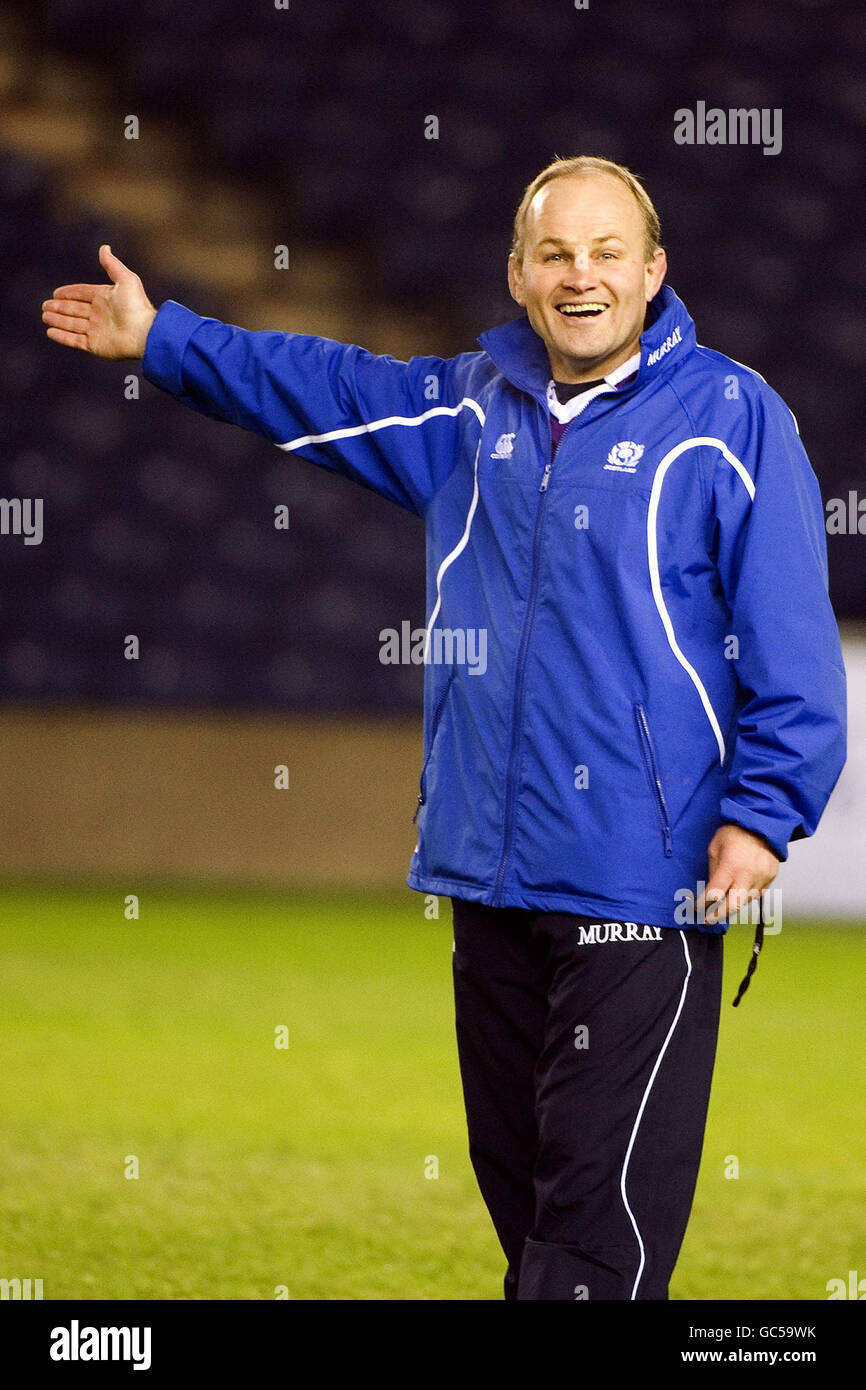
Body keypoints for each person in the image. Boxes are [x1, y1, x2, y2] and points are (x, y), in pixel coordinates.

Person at [42, 155, 846, 1300]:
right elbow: (319, 381)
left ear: (652, 270)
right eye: (555, 253)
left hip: (639, 883)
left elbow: (792, 646)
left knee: (592, 1236)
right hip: (489, 878)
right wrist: (164, 340)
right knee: (520, 1204)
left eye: (606, 252)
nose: (581, 276)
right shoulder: (468, 408)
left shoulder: (731, 417)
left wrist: (762, 816)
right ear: (517, 274)